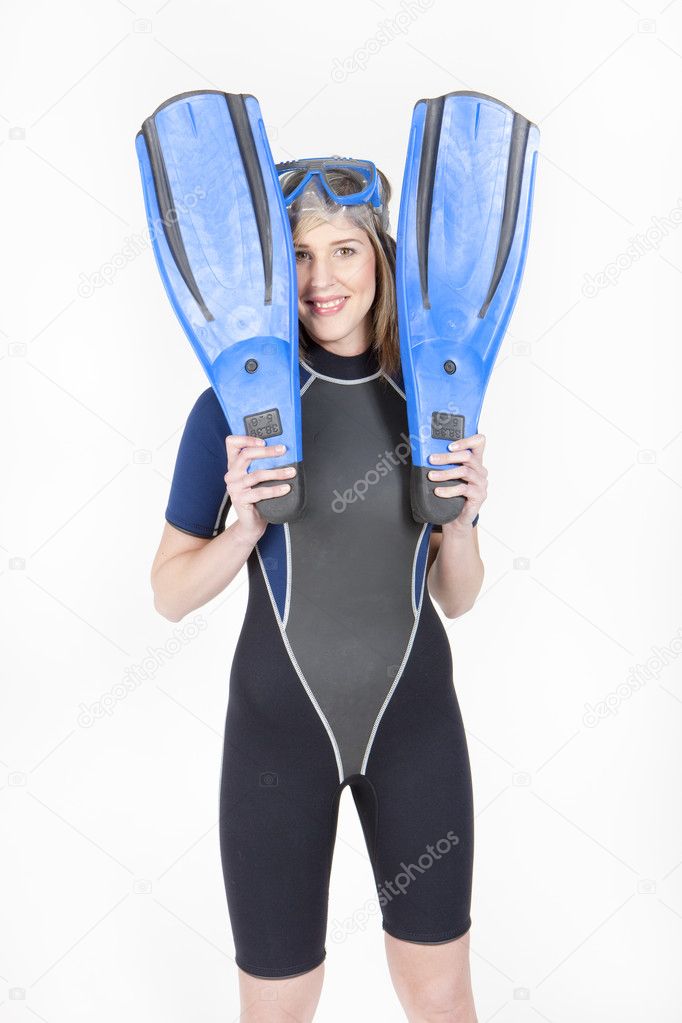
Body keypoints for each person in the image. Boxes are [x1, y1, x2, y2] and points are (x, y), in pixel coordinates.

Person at [151, 163, 487, 1023]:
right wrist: (244, 528)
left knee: (442, 995)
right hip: (276, 745)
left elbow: (459, 596)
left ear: (380, 258)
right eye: (298, 256)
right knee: (277, 1005)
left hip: (417, 732)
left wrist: (468, 519)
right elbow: (169, 593)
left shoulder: (436, 395)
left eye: (344, 251)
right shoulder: (234, 407)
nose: (320, 279)